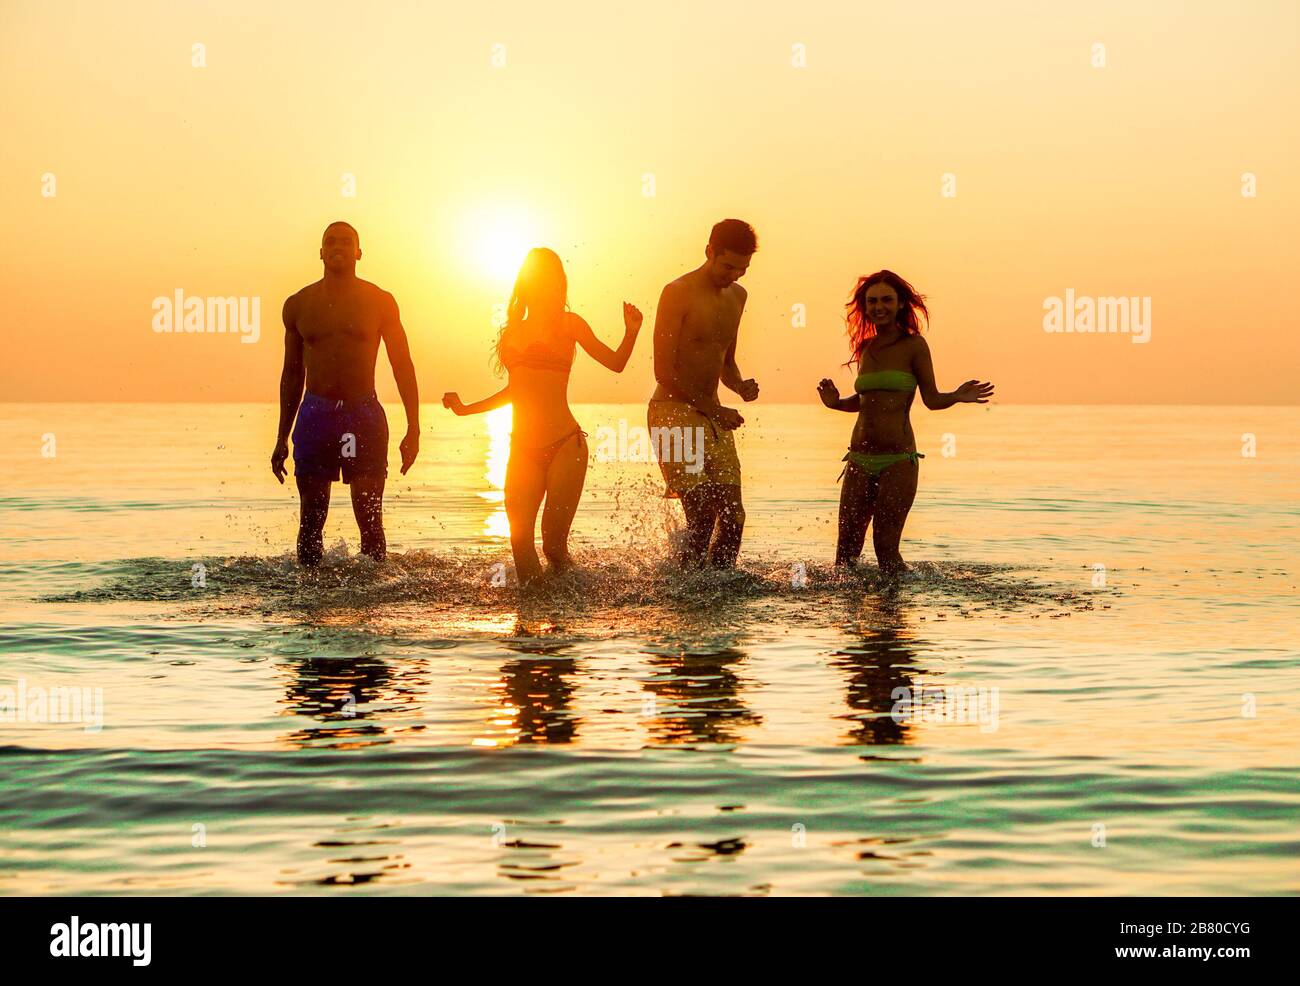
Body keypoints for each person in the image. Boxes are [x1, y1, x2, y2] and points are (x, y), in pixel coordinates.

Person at [443, 248, 641, 586]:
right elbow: (515, 391)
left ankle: (568, 604)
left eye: (549, 277)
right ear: (525, 282)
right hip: (522, 449)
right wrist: (466, 408)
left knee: (552, 545)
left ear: (557, 283)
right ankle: (531, 615)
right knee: (520, 543)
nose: (542, 284)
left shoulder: (569, 324)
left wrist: (632, 330)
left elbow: (616, 363)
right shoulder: (511, 332)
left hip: (566, 444)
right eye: (535, 277)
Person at [817, 270, 993, 576]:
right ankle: (848, 618)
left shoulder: (914, 346)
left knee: (885, 548)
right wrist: (834, 403)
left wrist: (957, 395)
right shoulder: (865, 348)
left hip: (897, 460)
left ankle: (894, 613)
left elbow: (932, 399)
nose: (878, 306)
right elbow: (866, 401)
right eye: (872, 301)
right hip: (858, 458)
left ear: (900, 304)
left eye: (886, 299)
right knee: (845, 554)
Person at [270, 221, 420, 566]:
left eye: (346, 241)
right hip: (315, 416)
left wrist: (413, 428)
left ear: (359, 252)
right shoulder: (298, 305)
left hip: (363, 414)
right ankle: (309, 603)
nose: (338, 246)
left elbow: (403, 365)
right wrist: (281, 437)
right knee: (311, 519)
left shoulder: (380, 302)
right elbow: (292, 374)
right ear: (320, 252)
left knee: (370, 521)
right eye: (330, 241)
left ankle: (370, 605)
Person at [648, 219, 759, 568]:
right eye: (728, 266)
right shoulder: (677, 292)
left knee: (733, 517)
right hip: (671, 413)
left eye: (743, 269)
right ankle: (687, 589)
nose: (735, 275)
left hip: (712, 414)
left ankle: (721, 590)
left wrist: (739, 385)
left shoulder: (738, 297)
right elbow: (663, 372)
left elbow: (726, 361)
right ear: (709, 251)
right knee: (702, 515)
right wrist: (715, 409)